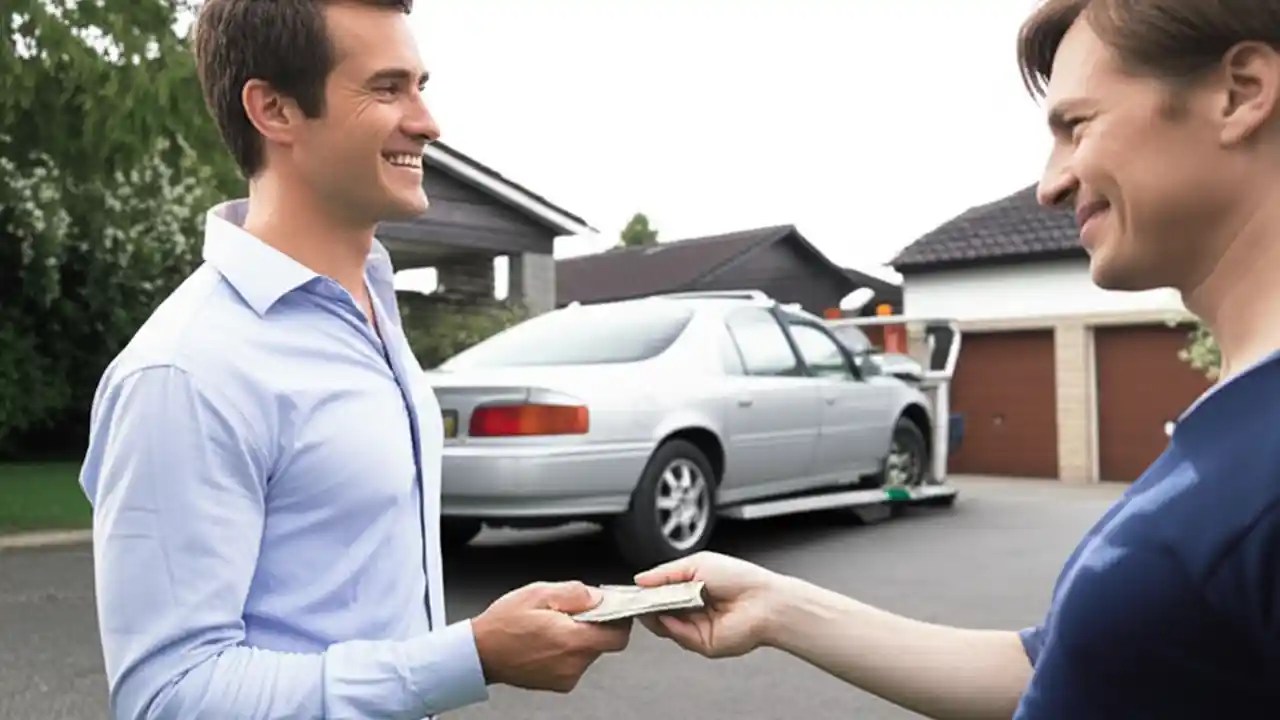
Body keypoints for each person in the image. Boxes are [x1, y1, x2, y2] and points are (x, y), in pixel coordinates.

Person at [636, 0, 1280, 718]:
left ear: (1241, 93)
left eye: (1077, 125)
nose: (1051, 183)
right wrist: (780, 609)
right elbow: (1068, 667)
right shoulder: (1235, 420)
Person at [77, 1, 629, 718]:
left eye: (420, 85)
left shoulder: (369, 303)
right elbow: (169, 697)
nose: (428, 121)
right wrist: (473, 656)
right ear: (273, 109)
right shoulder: (185, 372)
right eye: (387, 88)